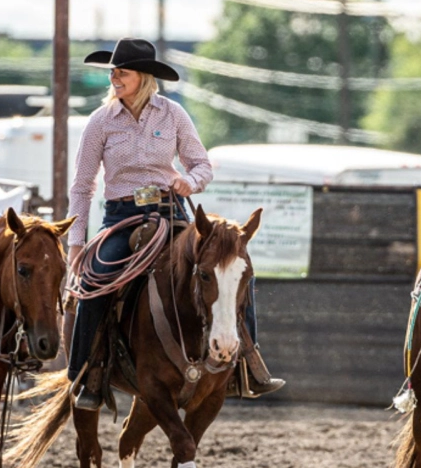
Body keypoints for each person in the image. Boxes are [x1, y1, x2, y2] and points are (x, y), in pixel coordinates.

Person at [66, 37, 283, 410]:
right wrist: (75, 242)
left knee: (233, 267)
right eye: (113, 71)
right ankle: (86, 375)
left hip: (172, 212)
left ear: (144, 78)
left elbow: (201, 165)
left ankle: (249, 363)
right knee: (96, 280)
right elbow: (82, 186)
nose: (115, 77)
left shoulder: (173, 115)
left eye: (123, 72)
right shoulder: (100, 121)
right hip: (122, 216)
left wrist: (190, 182)